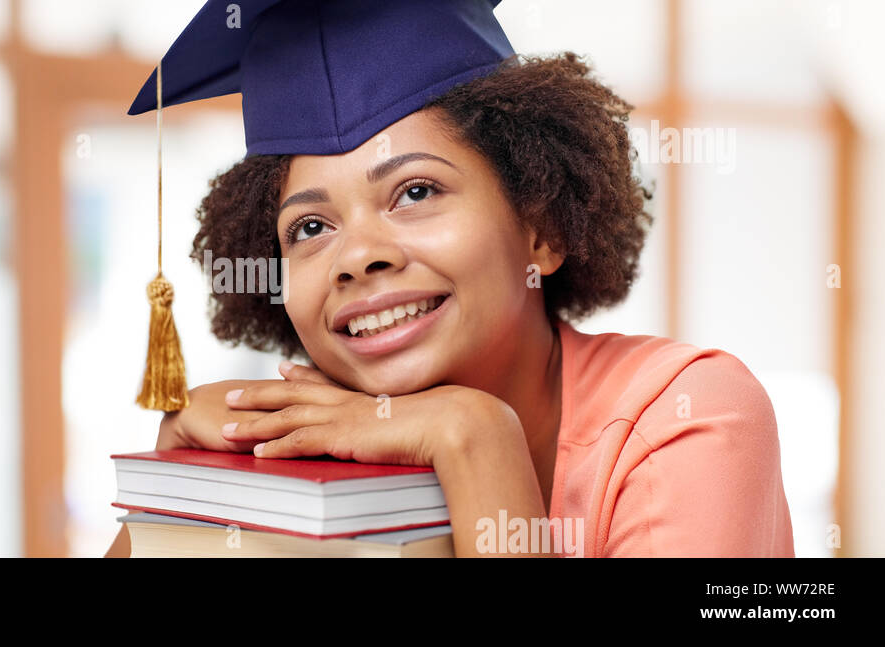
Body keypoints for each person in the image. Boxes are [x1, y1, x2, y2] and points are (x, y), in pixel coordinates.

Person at [106, 0, 794, 558]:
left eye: (415, 191)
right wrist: (193, 491)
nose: (356, 256)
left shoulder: (689, 414)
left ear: (541, 227)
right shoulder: (303, 463)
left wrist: (474, 440)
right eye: (311, 228)